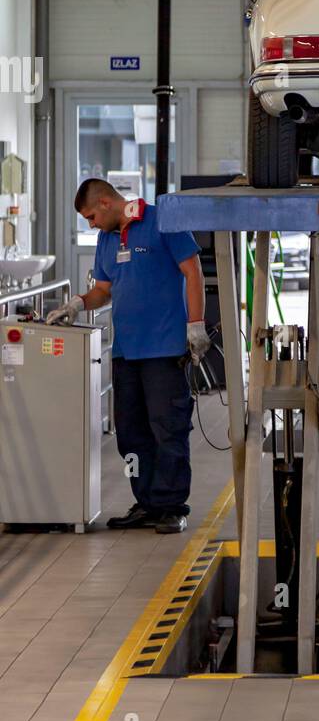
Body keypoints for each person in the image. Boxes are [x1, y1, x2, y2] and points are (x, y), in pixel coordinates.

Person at [47, 179, 210, 534]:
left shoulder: (163, 220)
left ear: (105, 202)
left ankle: (170, 506)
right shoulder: (107, 239)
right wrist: (77, 304)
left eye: (91, 216)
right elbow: (104, 290)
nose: (90, 224)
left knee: (168, 429)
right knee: (132, 435)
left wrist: (195, 325)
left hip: (164, 351)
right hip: (126, 351)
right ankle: (146, 502)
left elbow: (192, 270)